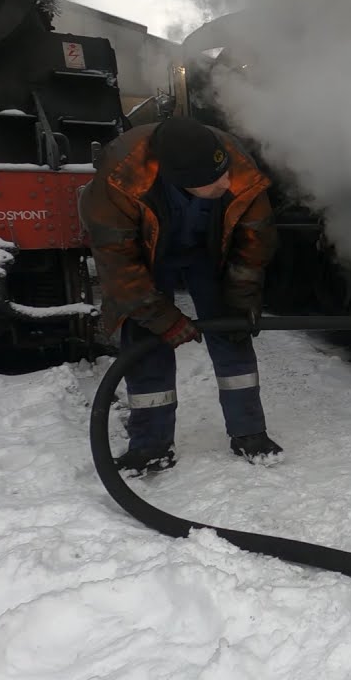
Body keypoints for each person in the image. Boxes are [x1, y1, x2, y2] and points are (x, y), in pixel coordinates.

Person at [79, 116, 282, 474]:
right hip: (147, 255)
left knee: (232, 334)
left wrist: (242, 297)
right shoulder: (119, 179)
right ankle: (151, 445)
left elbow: (254, 240)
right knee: (146, 342)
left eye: (224, 172)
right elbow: (118, 266)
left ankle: (249, 431)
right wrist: (162, 319)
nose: (227, 180)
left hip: (208, 250)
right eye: (214, 180)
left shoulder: (233, 162)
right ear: (181, 181)